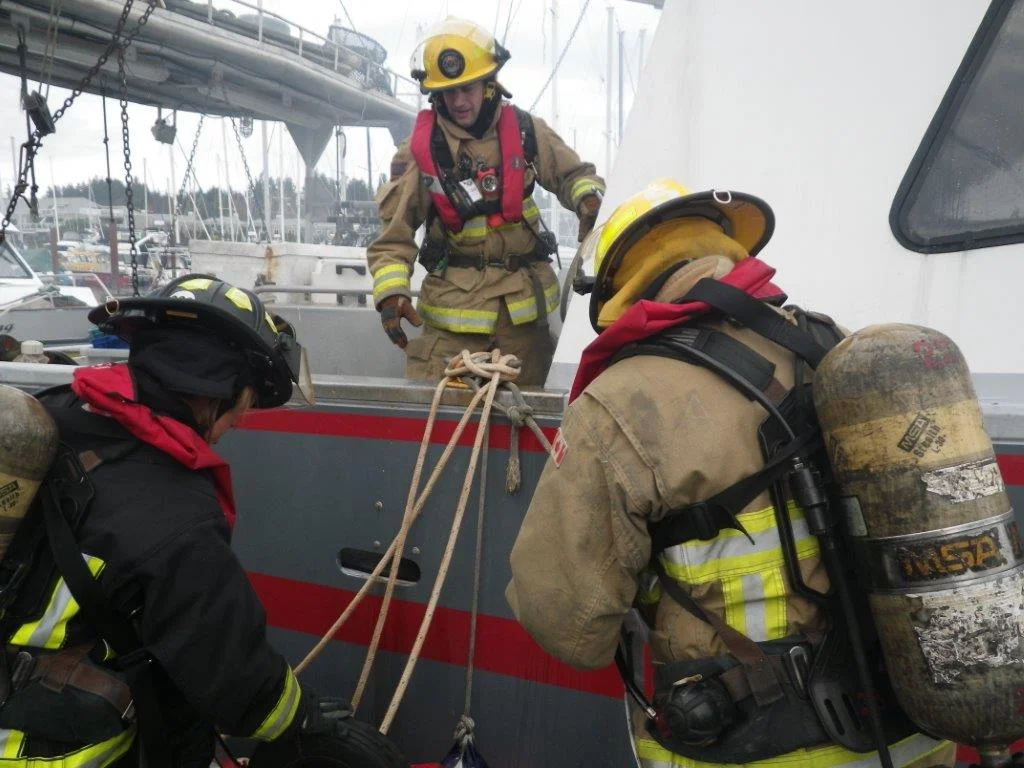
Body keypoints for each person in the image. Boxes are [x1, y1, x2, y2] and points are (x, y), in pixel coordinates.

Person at [505, 180, 955, 768]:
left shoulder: (621, 402)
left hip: (758, 747)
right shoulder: (836, 347)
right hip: (917, 730)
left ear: (619, 284)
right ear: (726, 248)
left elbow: (568, 625)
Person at [0, 275, 402, 767]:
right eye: (246, 404)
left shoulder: (58, 412)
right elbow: (231, 671)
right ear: (216, 388)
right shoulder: (174, 510)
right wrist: (305, 721)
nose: (242, 423)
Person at [367, 16, 605, 385]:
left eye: (468, 88)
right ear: (435, 95)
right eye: (449, 92)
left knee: (528, 427)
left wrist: (589, 200)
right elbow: (393, 238)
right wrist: (391, 293)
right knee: (444, 432)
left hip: (524, 328)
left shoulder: (527, 132)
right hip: (451, 330)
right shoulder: (420, 152)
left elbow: (576, 175)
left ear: (489, 84)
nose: (459, 101)